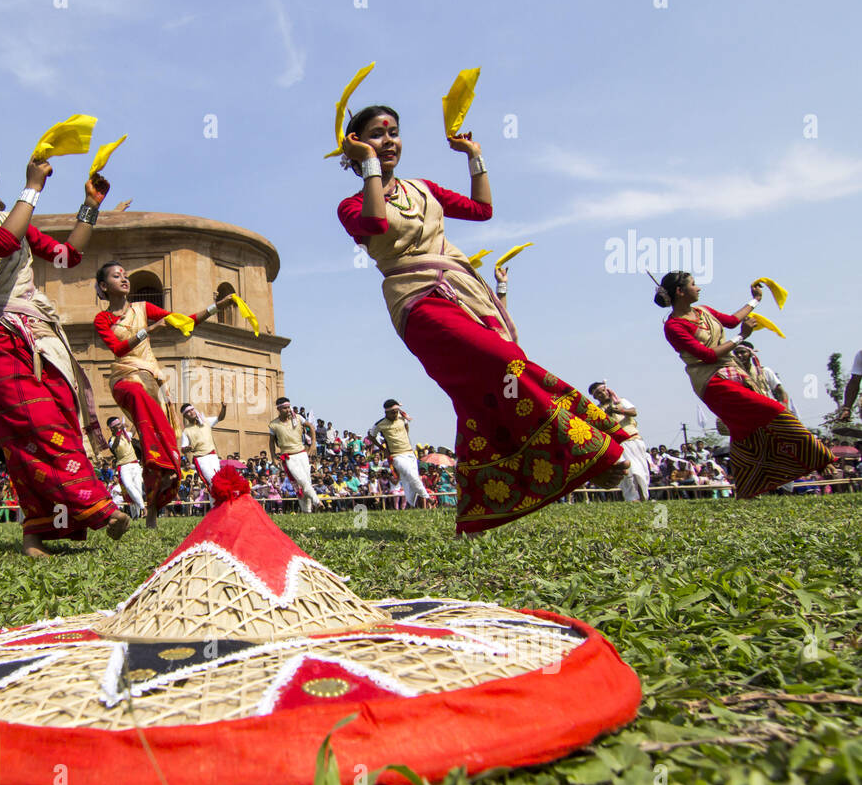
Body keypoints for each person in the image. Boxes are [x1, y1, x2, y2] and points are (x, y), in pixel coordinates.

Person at [337, 104, 628, 534]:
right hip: (416, 301)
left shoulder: (425, 190)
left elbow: (482, 210)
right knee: (501, 362)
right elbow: (377, 223)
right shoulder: (350, 205)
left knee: (480, 394)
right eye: (377, 135)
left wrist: (474, 154)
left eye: (394, 132)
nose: (389, 141)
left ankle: (489, 501)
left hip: (462, 291)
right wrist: (369, 168)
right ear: (357, 144)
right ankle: (587, 445)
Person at [0, 133, 128, 556]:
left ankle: (36, 532)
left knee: (54, 422)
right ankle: (99, 507)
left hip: (36, 332)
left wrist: (90, 204)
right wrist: (32, 185)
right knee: (34, 427)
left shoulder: (9, 221)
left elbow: (65, 257)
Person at [656, 271, 831, 497]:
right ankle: (819, 457)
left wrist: (755, 301)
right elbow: (708, 355)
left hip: (732, 372)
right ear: (680, 292)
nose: (698, 288)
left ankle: (749, 488)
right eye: (693, 284)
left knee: (744, 432)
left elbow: (730, 320)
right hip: (712, 382)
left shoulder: (704, 311)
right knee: (775, 409)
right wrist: (741, 337)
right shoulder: (674, 327)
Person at [94, 261, 232, 527]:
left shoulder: (144, 309)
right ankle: (160, 462)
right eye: (116, 276)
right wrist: (148, 331)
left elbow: (184, 321)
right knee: (140, 402)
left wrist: (217, 307)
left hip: (152, 379)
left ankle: (154, 507)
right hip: (125, 378)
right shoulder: (103, 319)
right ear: (103, 286)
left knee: (163, 436)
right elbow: (118, 348)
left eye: (125, 274)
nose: (124, 279)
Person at [588, 382, 650, 502]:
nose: (602, 394)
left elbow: (633, 412)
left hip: (633, 439)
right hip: (616, 444)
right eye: (598, 394)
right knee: (626, 472)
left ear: (607, 390)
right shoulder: (597, 410)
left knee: (640, 472)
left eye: (603, 391)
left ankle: (643, 496)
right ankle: (632, 498)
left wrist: (619, 411)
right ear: (595, 397)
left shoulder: (621, 401)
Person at [370, 398, 432, 507]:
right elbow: (370, 436)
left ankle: (414, 504)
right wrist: (382, 448)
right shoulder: (380, 424)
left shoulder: (402, 418)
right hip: (396, 455)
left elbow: (407, 426)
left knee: (410, 479)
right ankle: (428, 497)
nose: (395, 414)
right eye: (393, 413)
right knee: (411, 476)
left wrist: (405, 438)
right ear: (386, 412)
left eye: (396, 412)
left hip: (409, 453)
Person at [268, 396, 322, 513]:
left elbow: (311, 427)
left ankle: (307, 511)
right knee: (301, 480)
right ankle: (317, 501)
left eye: (289, 407)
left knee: (306, 482)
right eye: (285, 408)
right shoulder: (273, 425)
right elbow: (271, 443)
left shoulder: (298, 418)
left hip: (302, 454)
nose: (288, 410)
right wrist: (273, 458)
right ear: (279, 409)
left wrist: (313, 443)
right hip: (289, 457)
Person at [179, 402, 227, 488]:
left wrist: (224, 407)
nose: (191, 412)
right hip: (201, 458)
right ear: (185, 416)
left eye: (192, 410)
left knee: (217, 483)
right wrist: (187, 448)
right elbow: (183, 448)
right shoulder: (186, 431)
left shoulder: (205, 421)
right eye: (188, 412)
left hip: (213, 456)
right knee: (213, 481)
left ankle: (216, 501)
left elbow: (220, 418)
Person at [106, 416, 146, 520]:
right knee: (129, 487)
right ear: (112, 428)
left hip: (135, 465)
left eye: (120, 424)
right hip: (124, 466)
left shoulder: (126, 435)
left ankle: (136, 516)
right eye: (117, 425)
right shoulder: (112, 440)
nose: (120, 426)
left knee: (138, 489)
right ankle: (143, 508)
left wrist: (135, 415)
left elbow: (134, 428)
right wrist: (120, 432)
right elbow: (114, 446)